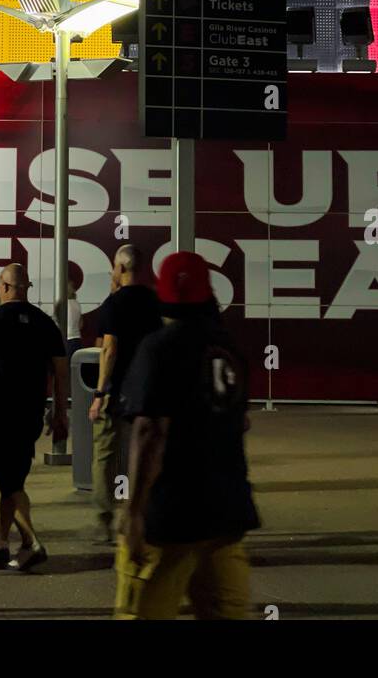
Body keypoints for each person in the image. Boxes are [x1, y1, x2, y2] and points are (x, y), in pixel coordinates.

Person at [115, 252, 260, 620]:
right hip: (226, 510)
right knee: (227, 611)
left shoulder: (158, 348)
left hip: (173, 515)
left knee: (144, 610)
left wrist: (134, 511)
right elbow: (240, 422)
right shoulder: (229, 349)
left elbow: (150, 432)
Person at [0, 263, 68, 571]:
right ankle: (1, 540)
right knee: (14, 476)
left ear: (2, 287)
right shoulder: (45, 323)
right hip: (30, 414)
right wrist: (59, 412)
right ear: (25, 288)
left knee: (8, 479)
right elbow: (60, 368)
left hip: (0, 412)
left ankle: (31, 542)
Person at [88, 245, 162, 544]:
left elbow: (109, 349)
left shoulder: (113, 304)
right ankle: (138, 514)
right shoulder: (154, 302)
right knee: (141, 453)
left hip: (116, 390)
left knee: (105, 454)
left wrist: (99, 391)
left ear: (119, 269)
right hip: (145, 392)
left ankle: (105, 519)